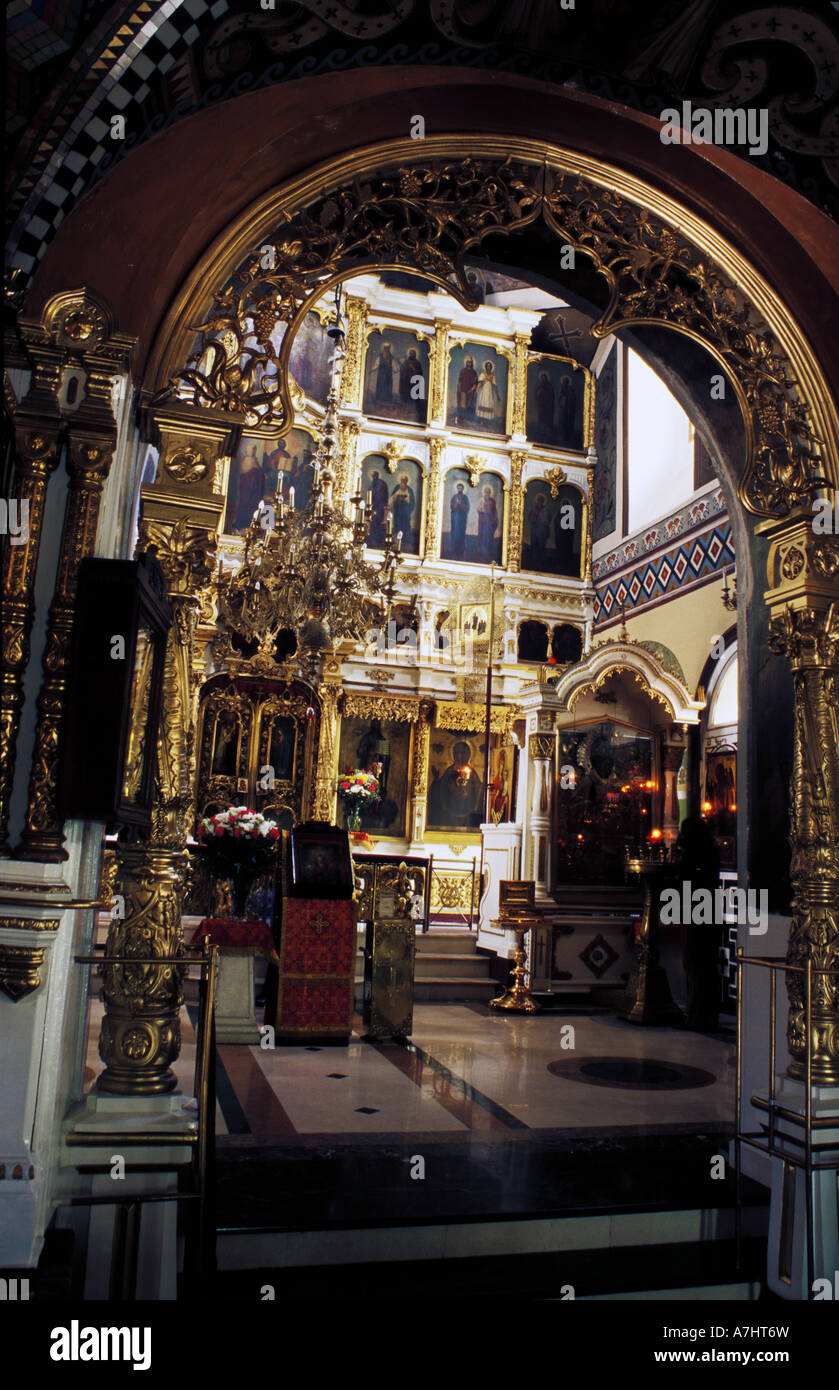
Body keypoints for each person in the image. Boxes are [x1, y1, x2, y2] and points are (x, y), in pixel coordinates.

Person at [677, 816, 722, 1032]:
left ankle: (698, 1015)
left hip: (698, 913)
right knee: (702, 965)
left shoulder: (697, 857)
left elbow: (687, 880)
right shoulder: (708, 854)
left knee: (697, 965)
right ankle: (699, 1014)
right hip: (707, 913)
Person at [428, 741, 483, 828]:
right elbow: (442, 788)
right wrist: (438, 781)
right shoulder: (449, 771)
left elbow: (478, 788)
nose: (460, 756)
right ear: (454, 754)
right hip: (452, 807)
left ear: (468, 755)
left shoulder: (471, 772)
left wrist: (470, 789)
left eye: (463, 753)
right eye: (458, 752)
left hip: (467, 808)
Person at [233, 443, 265, 531]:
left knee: (254, 508)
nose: (254, 451)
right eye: (253, 449)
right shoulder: (246, 461)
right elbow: (246, 477)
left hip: (255, 492)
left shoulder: (255, 460)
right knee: (245, 507)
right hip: (247, 491)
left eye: (255, 449)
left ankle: (251, 524)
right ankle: (242, 524)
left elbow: (258, 475)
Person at [399, 348, 426, 421]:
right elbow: (403, 370)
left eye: (413, 353)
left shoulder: (417, 363)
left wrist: (413, 369)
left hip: (414, 383)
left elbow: (419, 373)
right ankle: (405, 409)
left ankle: (413, 410)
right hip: (406, 382)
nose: (411, 355)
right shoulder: (406, 362)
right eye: (410, 353)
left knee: (413, 397)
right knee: (406, 395)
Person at [367, 469, 390, 547]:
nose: (373, 477)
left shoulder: (382, 483)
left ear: (377, 475)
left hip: (380, 505)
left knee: (379, 521)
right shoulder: (372, 483)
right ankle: (373, 538)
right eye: (372, 476)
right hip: (374, 505)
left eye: (374, 475)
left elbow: (385, 494)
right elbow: (369, 493)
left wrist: (385, 503)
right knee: (373, 521)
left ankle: (379, 539)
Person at [390, 474, 415, 545]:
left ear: (406, 481)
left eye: (404, 480)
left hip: (405, 511)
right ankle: (395, 540)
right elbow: (392, 497)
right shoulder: (397, 487)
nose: (403, 481)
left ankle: (405, 540)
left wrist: (407, 500)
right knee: (397, 525)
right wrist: (398, 498)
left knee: (405, 525)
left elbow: (412, 501)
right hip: (397, 510)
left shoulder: (409, 490)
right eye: (402, 480)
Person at [476, 359, 501, 428]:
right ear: (485, 367)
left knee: (488, 404)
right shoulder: (482, 374)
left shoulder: (493, 376)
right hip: (483, 391)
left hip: (489, 392)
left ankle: (486, 422)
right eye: (487, 366)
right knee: (483, 403)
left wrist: (497, 395)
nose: (488, 367)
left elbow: (495, 386)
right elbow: (480, 383)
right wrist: (476, 391)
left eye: (489, 366)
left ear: (491, 367)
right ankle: (482, 421)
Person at [476, 484, 499, 561]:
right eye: (485, 492)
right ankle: (481, 552)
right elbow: (478, 509)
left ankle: (488, 552)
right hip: (483, 521)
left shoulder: (492, 501)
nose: (487, 493)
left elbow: (494, 512)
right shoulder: (481, 500)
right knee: (482, 536)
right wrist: (483, 511)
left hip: (489, 522)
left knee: (488, 536)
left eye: (488, 492)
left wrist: (494, 520)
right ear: (484, 492)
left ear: (489, 493)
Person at [527, 491, 549, 568]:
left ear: (542, 502)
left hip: (542, 531)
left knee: (541, 547)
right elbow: (530, 519)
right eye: (538, 500)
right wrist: (534, 515)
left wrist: (540, 515)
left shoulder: (545, 510)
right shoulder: (534, 509)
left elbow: (546, 522)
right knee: (534, 546)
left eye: (541, 500)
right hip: (534, 530)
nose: (539, 502)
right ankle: (533, 561)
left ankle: (540, 562)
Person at [448, 481, 470, 559]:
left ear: (463, 489)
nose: (459, 489)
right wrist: (456, 504)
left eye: (461, 488)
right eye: (458, 488)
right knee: (454, 533)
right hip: (455, 519)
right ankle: (453, 549)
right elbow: (452, 507)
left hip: (462, 520)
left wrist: (460, 504)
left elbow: (467, 508)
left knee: (461, 534)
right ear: (457, 489)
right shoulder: (454, 497)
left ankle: (461, 550)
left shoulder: (465, 497)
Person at [456, 355, 478, 424]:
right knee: (462, 405)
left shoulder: (474, 372)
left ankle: (467, 419)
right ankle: (461, 419)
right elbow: (459, 381)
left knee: (469, 405)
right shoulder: (463, 371)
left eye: (470, 362)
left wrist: (471, 390)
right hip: (463, 390)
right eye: (468, 362)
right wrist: (459, 388)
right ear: (466, 363)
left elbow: (475, 383)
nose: (469, 364)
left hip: (470, 391)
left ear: (472, 363)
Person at [557, 373, 577, 445]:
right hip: (563, 410)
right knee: (562, 423)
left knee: (568, 424)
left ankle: (568, 437)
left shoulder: (570, 390)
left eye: (566, 381)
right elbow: (559, 399)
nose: (565, 383)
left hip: (569, 410)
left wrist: (568, 397)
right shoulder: (561, 389)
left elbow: (573, 398)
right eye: (564, 381)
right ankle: (561, 437)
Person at [535, 370, 554, 437]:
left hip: (547, 406)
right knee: (541, 418)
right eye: (542, 378)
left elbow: (551, 396)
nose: (543, 380)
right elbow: (537, 395)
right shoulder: (540, 386)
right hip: (541, 405)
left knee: (547, 419)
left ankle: (547, 432)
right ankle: (541, 431)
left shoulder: (549, 386)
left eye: (544, 378)